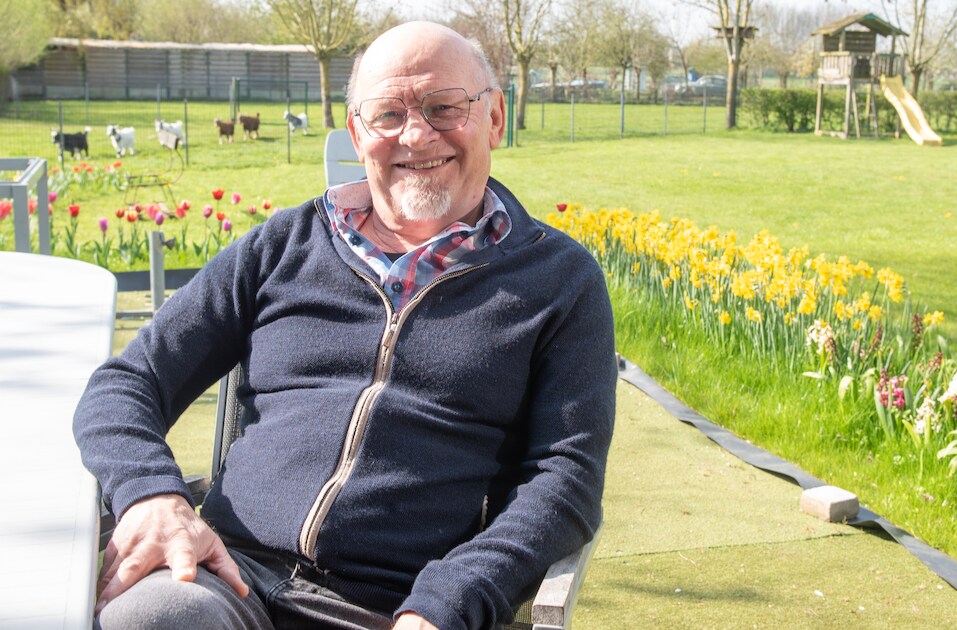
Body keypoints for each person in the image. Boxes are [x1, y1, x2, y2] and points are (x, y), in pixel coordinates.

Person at [73, 21, 616, 630]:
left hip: (397, 607)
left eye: (444, 108)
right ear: (358, 133)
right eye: (389, 114)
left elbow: (564, 479)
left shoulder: (559, 281)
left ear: (494, 118)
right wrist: (153, 494)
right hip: (230, 579)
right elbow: (127, 382)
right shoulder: (284, 246)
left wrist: (450, 601)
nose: (415, 134)